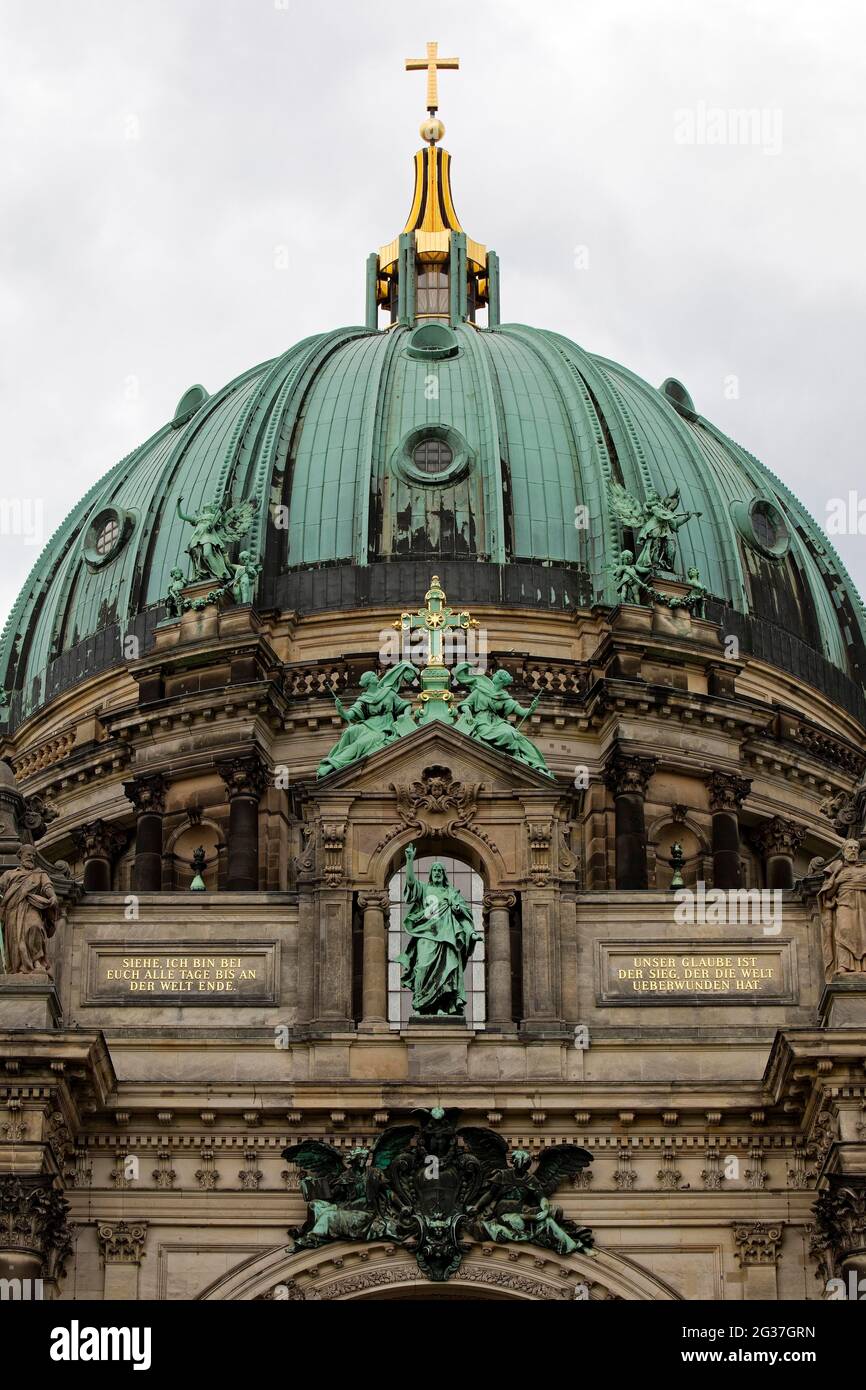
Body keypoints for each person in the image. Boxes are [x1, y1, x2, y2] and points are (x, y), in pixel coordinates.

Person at [397, 846, 479, 1016]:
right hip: (426, 935)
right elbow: (411, 883)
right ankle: (421, 1005)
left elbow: (464, 916)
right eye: (434, 870)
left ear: (444, 874)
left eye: (439, 870)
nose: (436, 872)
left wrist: (471, 932)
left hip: (448, 938)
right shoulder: (424, 889)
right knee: (422, 967)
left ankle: (443, 1006)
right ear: (430, 874)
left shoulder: (451, 893)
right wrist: (410, 860)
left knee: (447, 971)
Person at [0, 844, 60, 975]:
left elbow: (47, 887)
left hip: (31, 906)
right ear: (20, 855)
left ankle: (37, 961)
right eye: (28, 855)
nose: (31, 858)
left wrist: (53, 896)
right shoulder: (9, 874)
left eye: (33, 856)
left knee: (35, 927)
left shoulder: (39, 874)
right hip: (13, 910)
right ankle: (18, 967)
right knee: (16, 940)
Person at [818, 839, 866, 978]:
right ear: (843, 851)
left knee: (864, 934)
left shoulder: (864, 868)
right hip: (845, 905)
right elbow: (827, 895)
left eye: (855, 848)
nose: (853, 851)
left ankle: (863, 966)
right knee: (843, 932)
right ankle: (844, 965)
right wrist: (838, 881)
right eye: (850, 848)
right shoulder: (837, 870)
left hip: (863, 906)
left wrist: (859, 882)